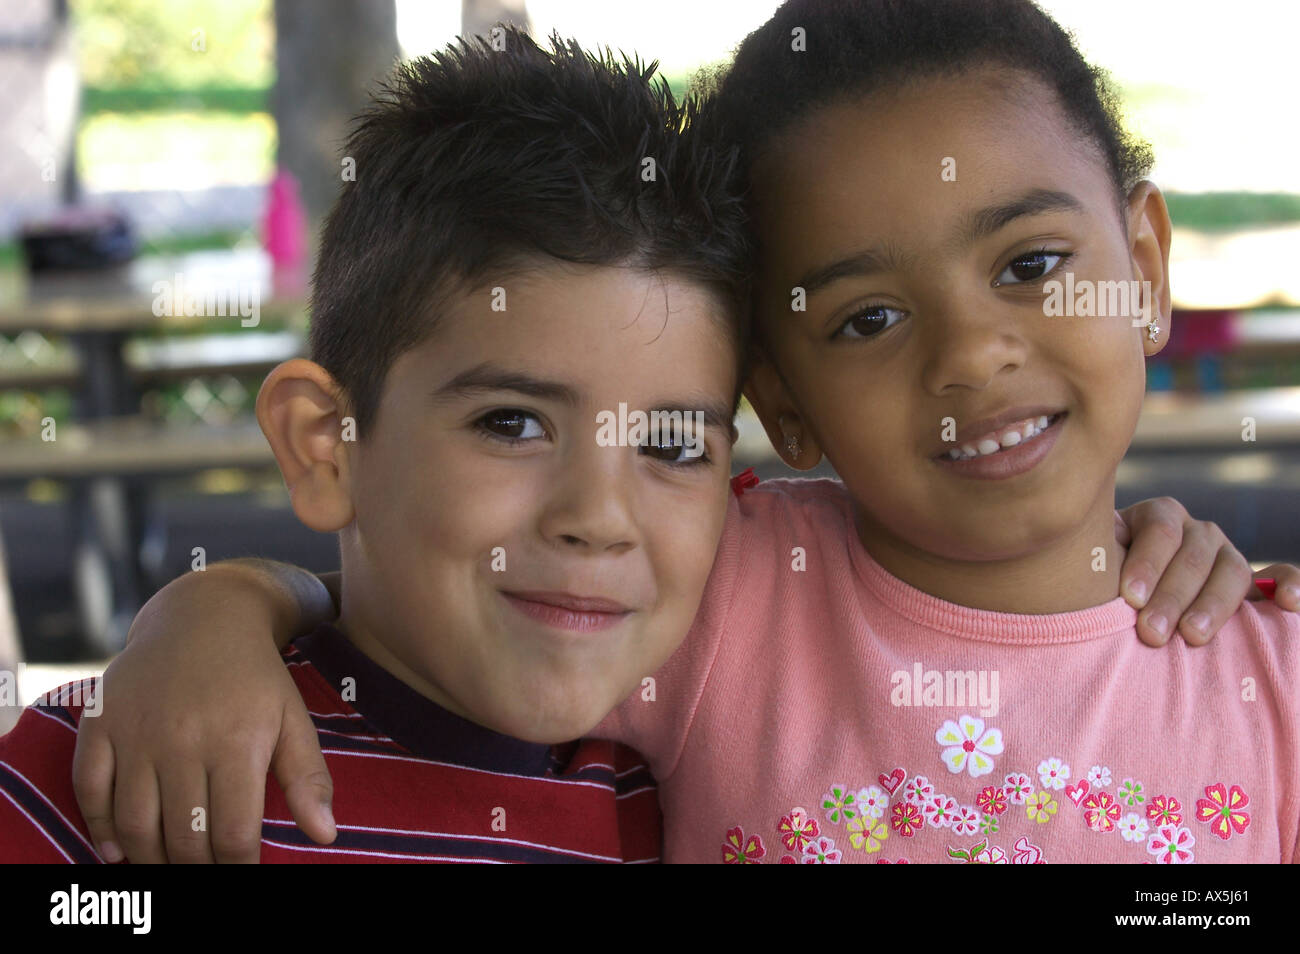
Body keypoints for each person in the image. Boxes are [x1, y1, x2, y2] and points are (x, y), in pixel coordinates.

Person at [59, 0, 1300, 864]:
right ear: (781, 402)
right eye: (867, 318)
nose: (972, 355)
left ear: (1143, 268)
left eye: (1030, 264)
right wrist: (216, 608)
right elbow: (431, 594)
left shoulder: (1271, 676)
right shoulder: (737, 595)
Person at [0, 28, 753, 863]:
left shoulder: (712, 800)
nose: (599, 517)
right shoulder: (133, 771)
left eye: (672, 444)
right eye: (511, 423)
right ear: (326, 447)